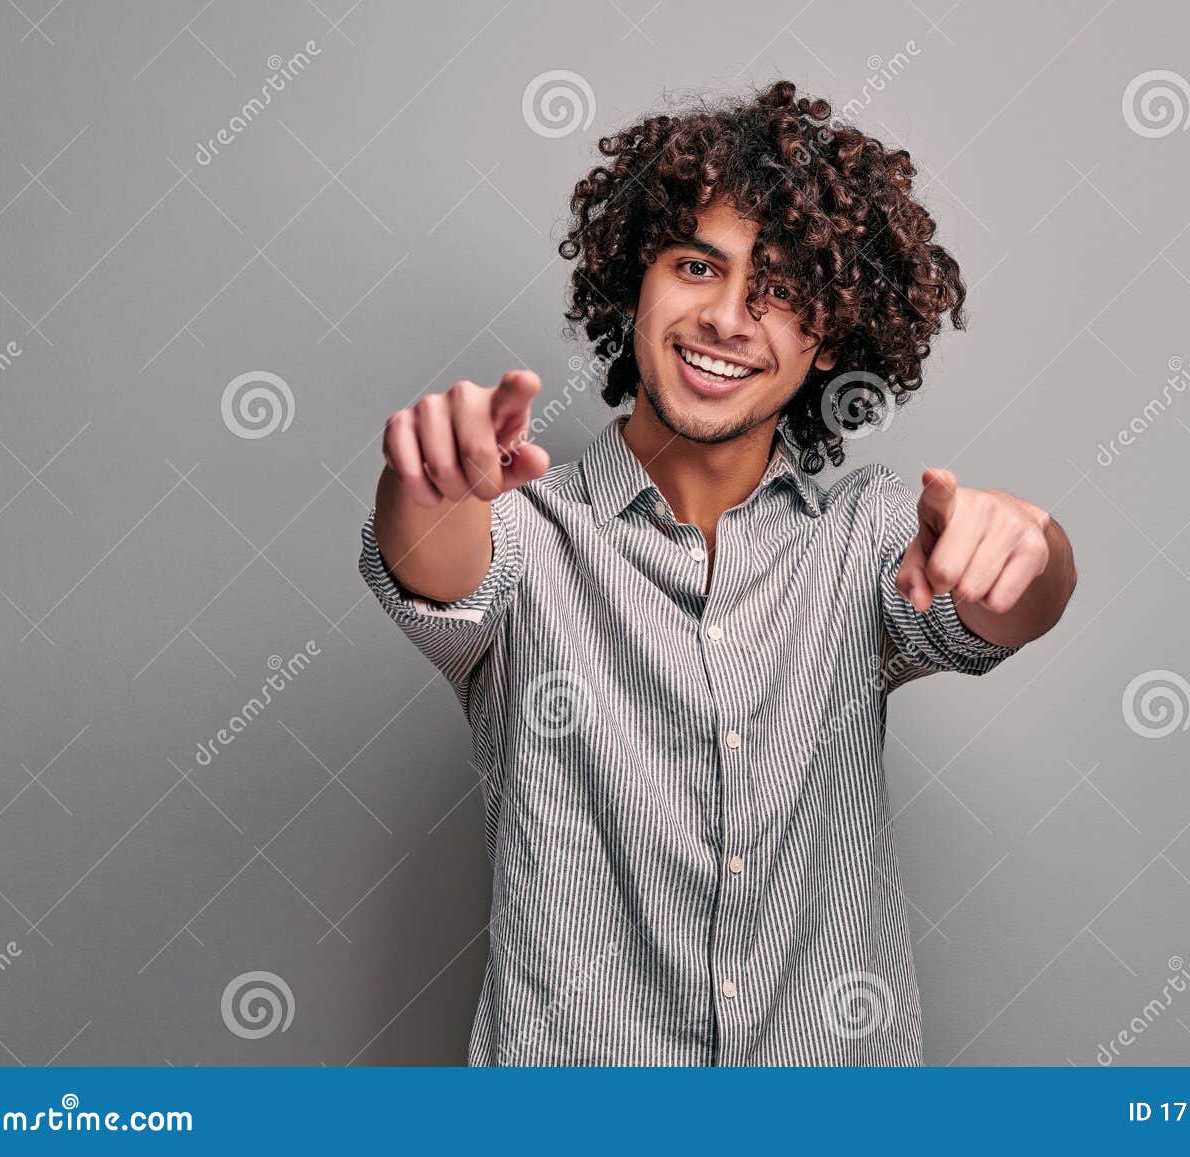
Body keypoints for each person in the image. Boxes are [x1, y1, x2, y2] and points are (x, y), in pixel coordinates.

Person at [357, 79, 1077, 1065]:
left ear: (828, 340)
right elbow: (436, 559)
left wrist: (1032, 545)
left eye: (781, 291)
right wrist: (428, 481)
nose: (731, 317)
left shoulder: (865, 536)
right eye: (699, 265)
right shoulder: (524, 532)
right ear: (636, 282)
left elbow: (1011, 605)